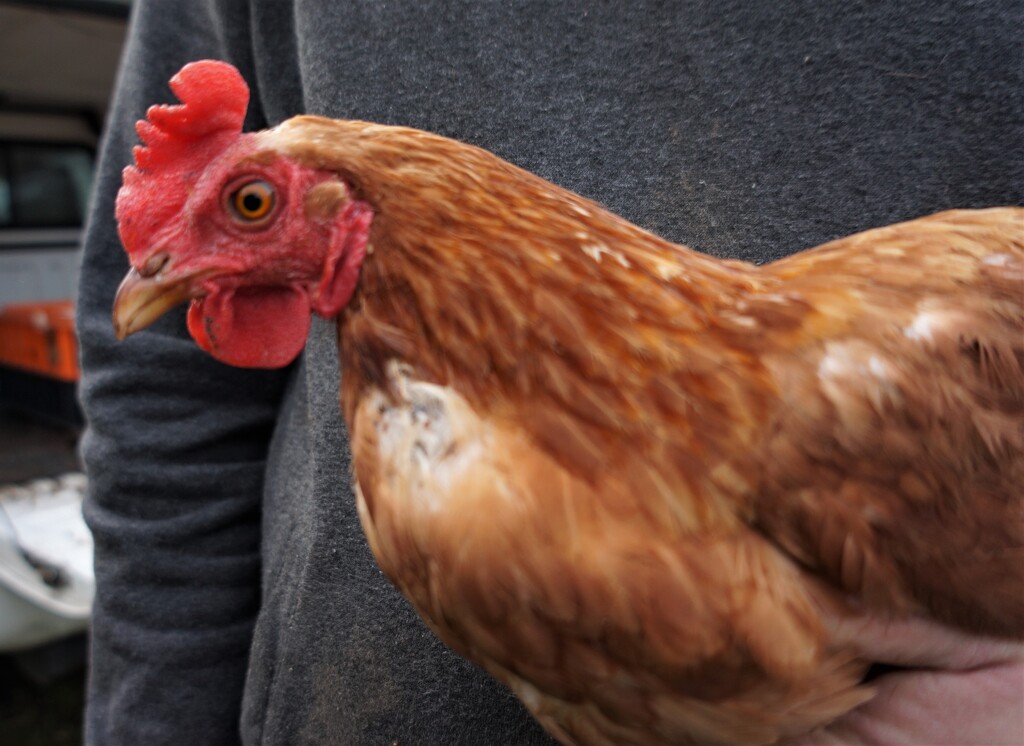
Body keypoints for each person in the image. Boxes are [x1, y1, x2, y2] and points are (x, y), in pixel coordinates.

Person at [77, 1, 1023, 743]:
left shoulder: (891, 395)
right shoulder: (411, 441)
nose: (156, 268)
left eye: (248, 205)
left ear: (349, 211)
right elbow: (161, 410)